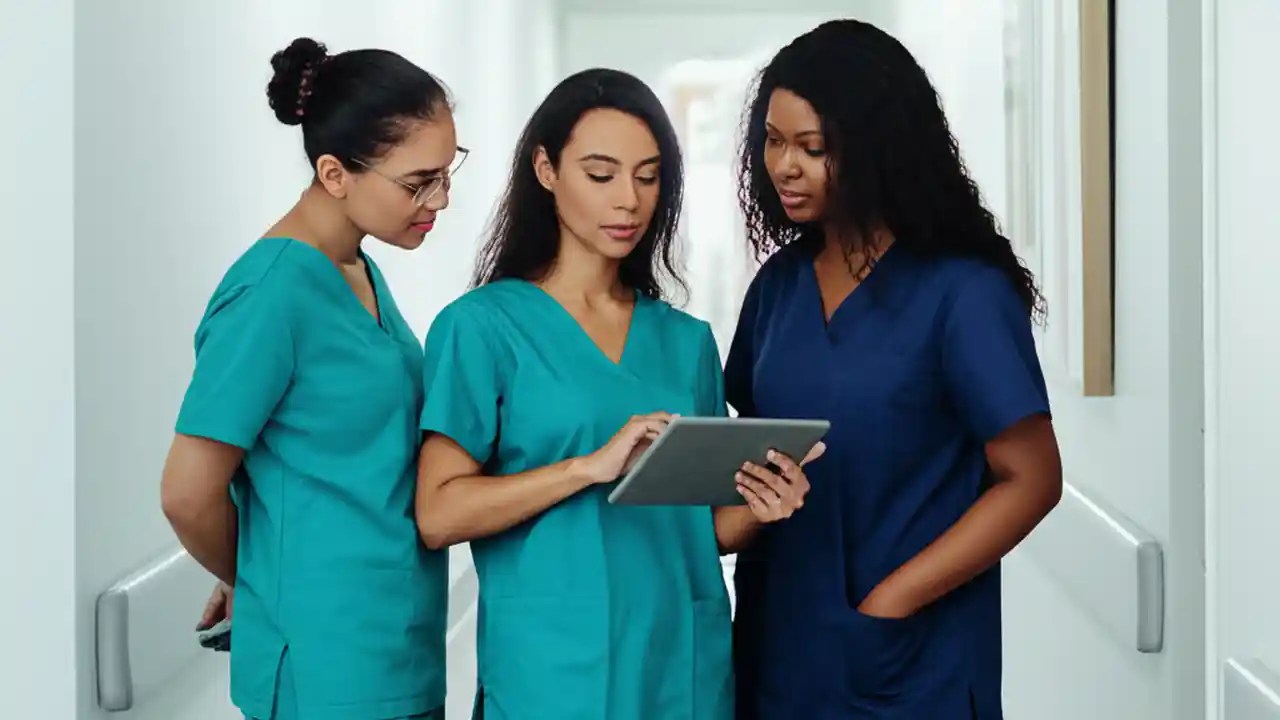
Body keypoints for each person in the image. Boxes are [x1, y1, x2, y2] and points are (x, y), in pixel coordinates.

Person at [413, 67, 819, 720]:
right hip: (553, 670)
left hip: (681, 664)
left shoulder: (685, 340)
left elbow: (704, 529)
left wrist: (765, 507)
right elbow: (437, 513)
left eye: (648, 175)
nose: (628, 200)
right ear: (546, 170)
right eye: (601, 175)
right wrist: (585, 469)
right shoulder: (482, 328)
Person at [724, 20, 1064, 719]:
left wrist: (893, 599)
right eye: (774, 140)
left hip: (913, 663)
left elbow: (1032, 480)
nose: (784, 165)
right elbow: (748, 449)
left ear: (878, 150)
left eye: (813, 148)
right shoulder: (778, 288)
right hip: (780, 647)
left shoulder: (962, 292)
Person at [161, 37, 466, 720]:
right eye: (419, 182)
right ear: (334, 174)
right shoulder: (273, 294)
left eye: (448, 172)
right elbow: (187, 493)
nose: (440, 199)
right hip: (327, 667)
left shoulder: (357, 269)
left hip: (398, 646)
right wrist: (256, 578)